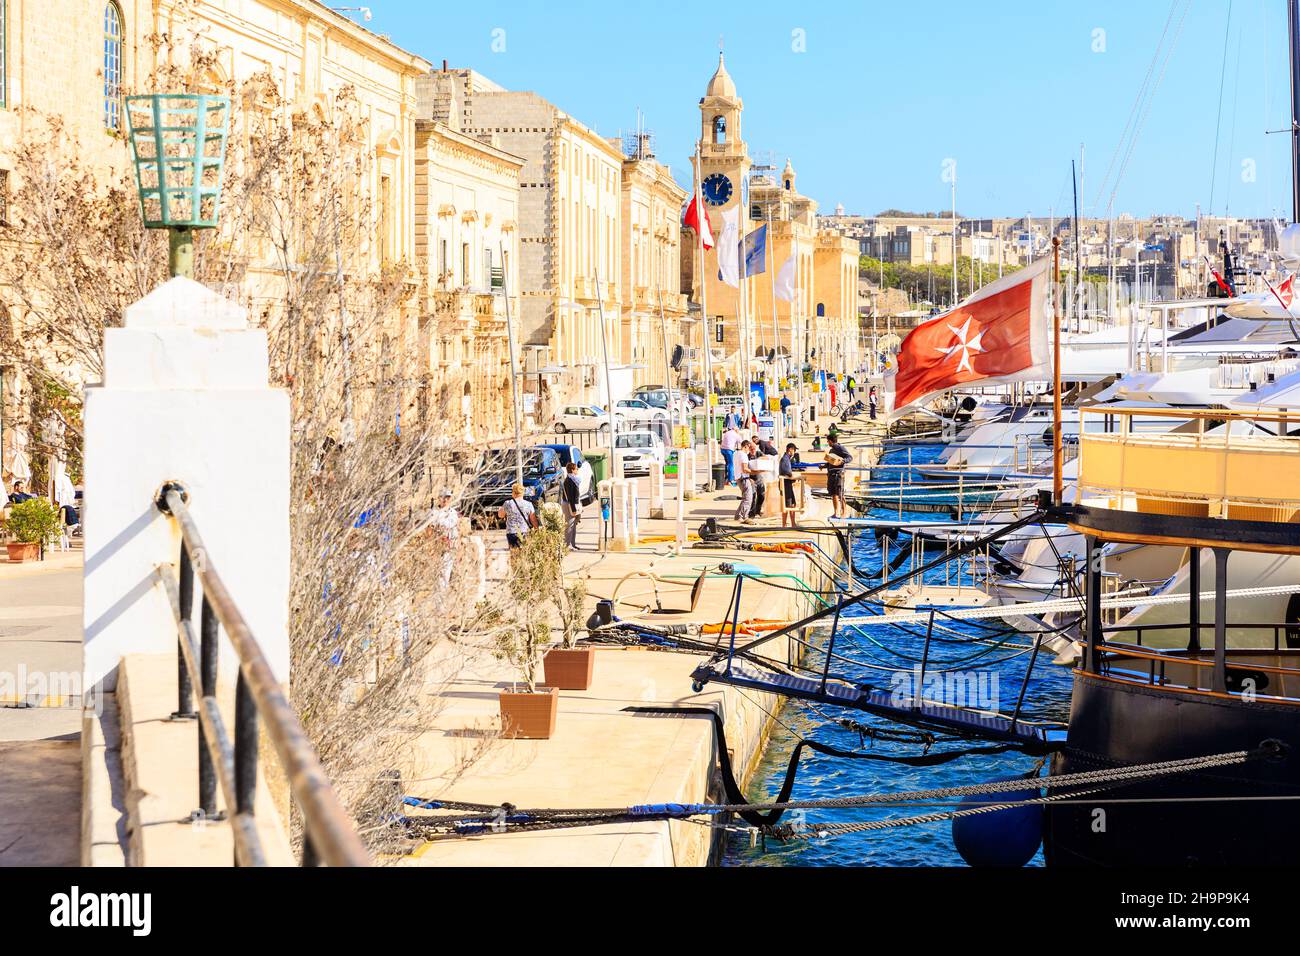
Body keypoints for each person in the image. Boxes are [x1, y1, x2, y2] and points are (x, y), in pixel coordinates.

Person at [429, 489, 461, 587]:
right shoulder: (434, 513)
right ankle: (440, 598)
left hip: (451, 546)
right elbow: (430, 529)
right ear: (439, 498)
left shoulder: (454, 513)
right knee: (440, 575)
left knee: (448, 573)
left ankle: (444, 597)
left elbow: (457, 529)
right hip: (439, 546)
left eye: (447, 497)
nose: (445, 500)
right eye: (443, 497)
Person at [498, 483, 537, 549]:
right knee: (524, 552)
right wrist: (537, 529)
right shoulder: (528, 504)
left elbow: (501, 516)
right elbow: (533, 519)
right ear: (523, 493)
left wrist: (500, 510)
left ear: (513, 493)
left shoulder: (508, 503)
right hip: (525, 531)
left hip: (511, 532)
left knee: (514, 554)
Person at [825, 438, 853, 519]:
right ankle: (836, 512)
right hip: (831, 474)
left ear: (831, 441)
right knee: (833, 494)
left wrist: (843, 461)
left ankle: (844, 512)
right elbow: (830, 462)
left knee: (840, 494)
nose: (827, 443)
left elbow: (850, 457)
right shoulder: (831, 451)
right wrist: (824, 466)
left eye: (828, 441)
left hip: (839, 474)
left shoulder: (840, 448)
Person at [560, 461, 582, 551]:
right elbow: (570, 497)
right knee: (569, 525)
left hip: (574, 504)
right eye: (576, 469)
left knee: (573, 525)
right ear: (572, 470)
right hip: (569, 505)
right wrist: (573, 509)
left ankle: (572, 544)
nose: (578, 470)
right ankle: (567, 545)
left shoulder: (574, 479)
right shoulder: (569, 481)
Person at [734, 441, 756, 524]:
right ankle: (743, 516)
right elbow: (745, 469)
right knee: (748, 498)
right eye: (749, 448)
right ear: (746, 446)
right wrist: (756, 472)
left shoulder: (736, 453)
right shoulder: (743, 455)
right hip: (744, 478)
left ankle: (738, 516)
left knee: (745, 498)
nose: (749, 450)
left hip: (738, 477)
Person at [779, 443, 800, 528]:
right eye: (794, 450)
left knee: (791, 504)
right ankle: (785, 525)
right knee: (788, 505)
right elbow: (786, 471)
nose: (794, 453)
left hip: (787, 484)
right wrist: (793, 476)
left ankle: (792, 524)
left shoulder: (786, 458)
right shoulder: (785, 459)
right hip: (785, 484)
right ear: (790, 449)